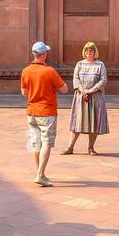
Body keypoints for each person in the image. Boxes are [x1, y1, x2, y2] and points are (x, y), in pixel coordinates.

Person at [21, 41, 68, 187]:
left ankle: (40, 173)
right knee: (46, 142)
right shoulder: (49, 71)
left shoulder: (26, 71)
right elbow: (64, 89)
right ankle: (40, 174)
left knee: (37, 143)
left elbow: (24, 92)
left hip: (32, 111)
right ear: (44, 54)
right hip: (47, 111)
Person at [63, 42, 110, 155]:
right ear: (84, 52)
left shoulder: (100, 65)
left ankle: (91, 148)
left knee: (93, 123)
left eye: (91, 50)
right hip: (81, 96)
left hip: (95, 97)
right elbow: (76, 79)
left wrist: (91, 90)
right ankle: (70, 147)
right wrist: (82, 90)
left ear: (95, 52)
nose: (89, 52)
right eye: (87, 50)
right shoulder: (80, 64)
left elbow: (103, 80)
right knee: (77, 122)